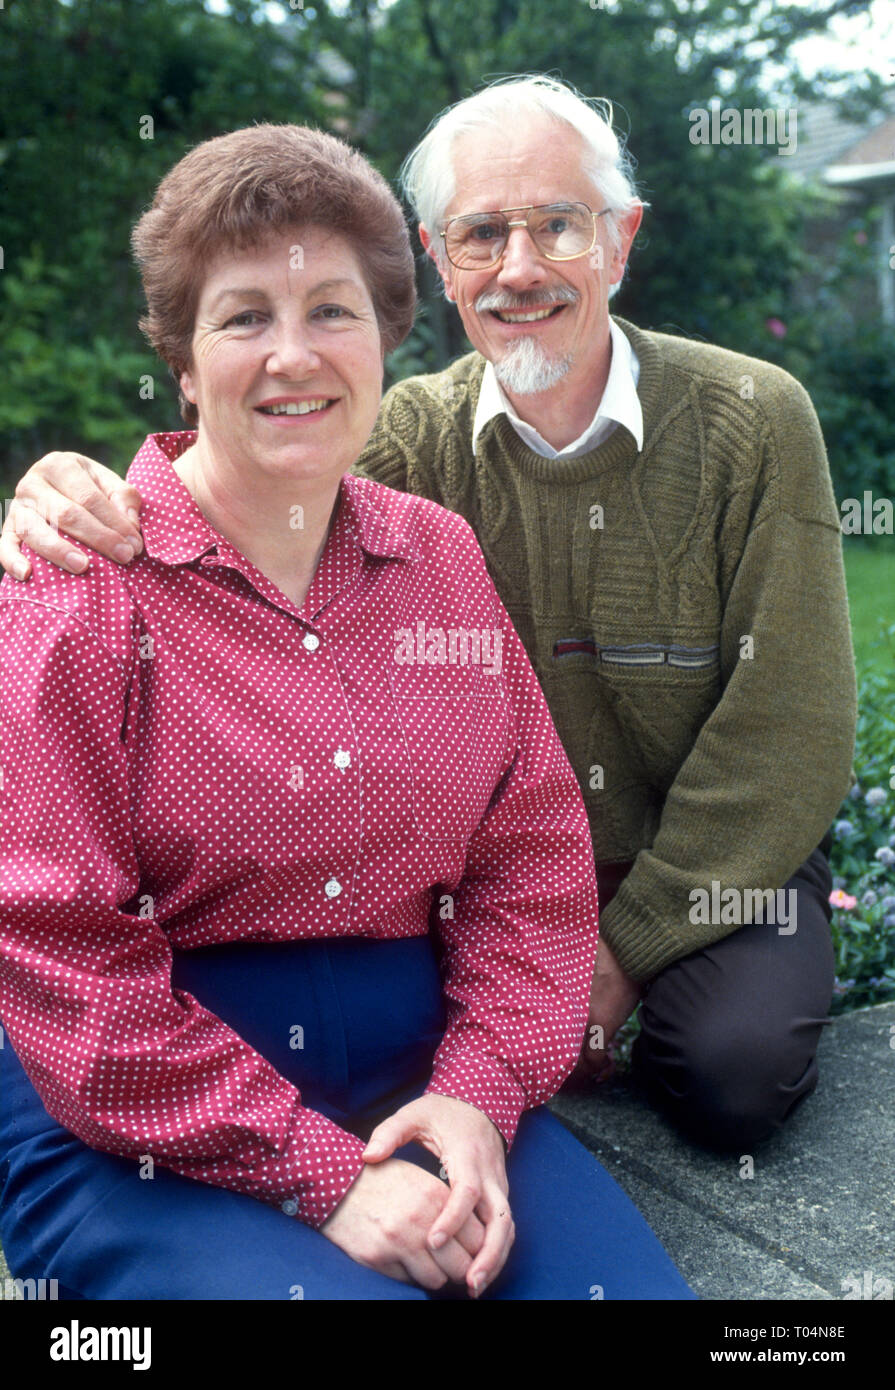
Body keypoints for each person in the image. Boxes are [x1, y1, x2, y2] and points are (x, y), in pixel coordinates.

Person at [0, 76, 857, 1155]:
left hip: (718, 854)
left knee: (733, 1074)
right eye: (482, 233)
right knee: (440, 1046)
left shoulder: (753, 419)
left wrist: (622, 952)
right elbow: (247, 463)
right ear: (437, 260)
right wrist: (63, 487)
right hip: (496, 868)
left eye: (558, 226)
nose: (520, 267)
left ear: (621, 240)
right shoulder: (405, 434)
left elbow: (793, 730)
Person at [0, 121, 695, 1302]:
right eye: (242, 318)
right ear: (180, 356)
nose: (292, 355)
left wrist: (477, 1095)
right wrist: (318, 1176)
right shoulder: (79, 585)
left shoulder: (438, 558)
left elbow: (525, 859)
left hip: (418, 1072)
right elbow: (59, 952)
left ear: (384, 340)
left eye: (331, 309)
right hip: (140, 1115)